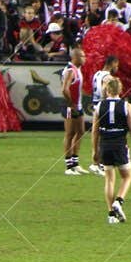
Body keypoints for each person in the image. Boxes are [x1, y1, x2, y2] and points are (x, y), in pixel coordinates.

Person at [92, 76, 131, 224]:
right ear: (120, 90)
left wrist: (94, 150)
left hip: (105, 145)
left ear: (107, 90)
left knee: (109, 179)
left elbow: (94, 131)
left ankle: (111, 215)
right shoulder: (126, 106)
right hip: (119, 145)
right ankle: (119, 201)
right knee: (127, 177)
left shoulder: (99, 106)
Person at [87, 54, 119, 174]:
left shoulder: (97, 74)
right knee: (104, 136)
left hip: (95, 106)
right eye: (117, 64)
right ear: (113, 63)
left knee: (96, 134)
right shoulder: (108, 77)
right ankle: (101, 164)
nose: (117, 67)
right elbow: (106, 91)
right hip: (103, 107)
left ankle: (95, 162)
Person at [61, 46, 87, 174]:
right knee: (70, 134)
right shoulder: (70, 70)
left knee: (81, 131)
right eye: (82, 56)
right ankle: (69, 166)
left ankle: (75, 162)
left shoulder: (77, 69)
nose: (85, 58)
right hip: (70, 107)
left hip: (78, 105)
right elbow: (64, 89)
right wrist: (71, 104)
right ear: (75, 57)